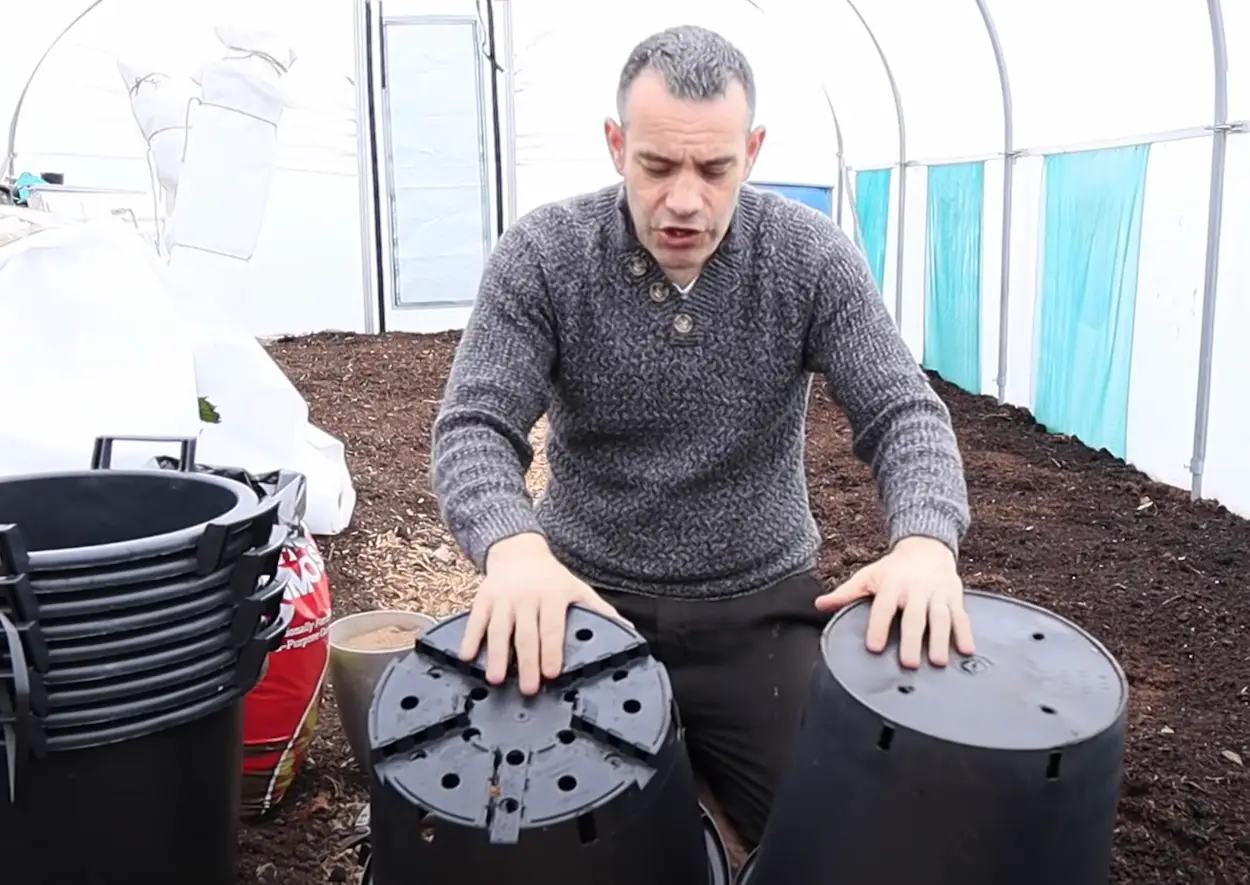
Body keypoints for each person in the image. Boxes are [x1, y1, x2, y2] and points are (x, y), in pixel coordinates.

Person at [429, 24, 974, 849]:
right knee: (541, 843)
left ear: (752, 151)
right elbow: (474, 426)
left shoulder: (809, 258)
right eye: (657, 166)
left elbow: (903, 411)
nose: (685, 199)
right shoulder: (543, 254)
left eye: (714, 168)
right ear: (617, 146)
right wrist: (513, 549)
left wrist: (928, 541)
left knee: (831, 835)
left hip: (758, 611)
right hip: (581, 604)